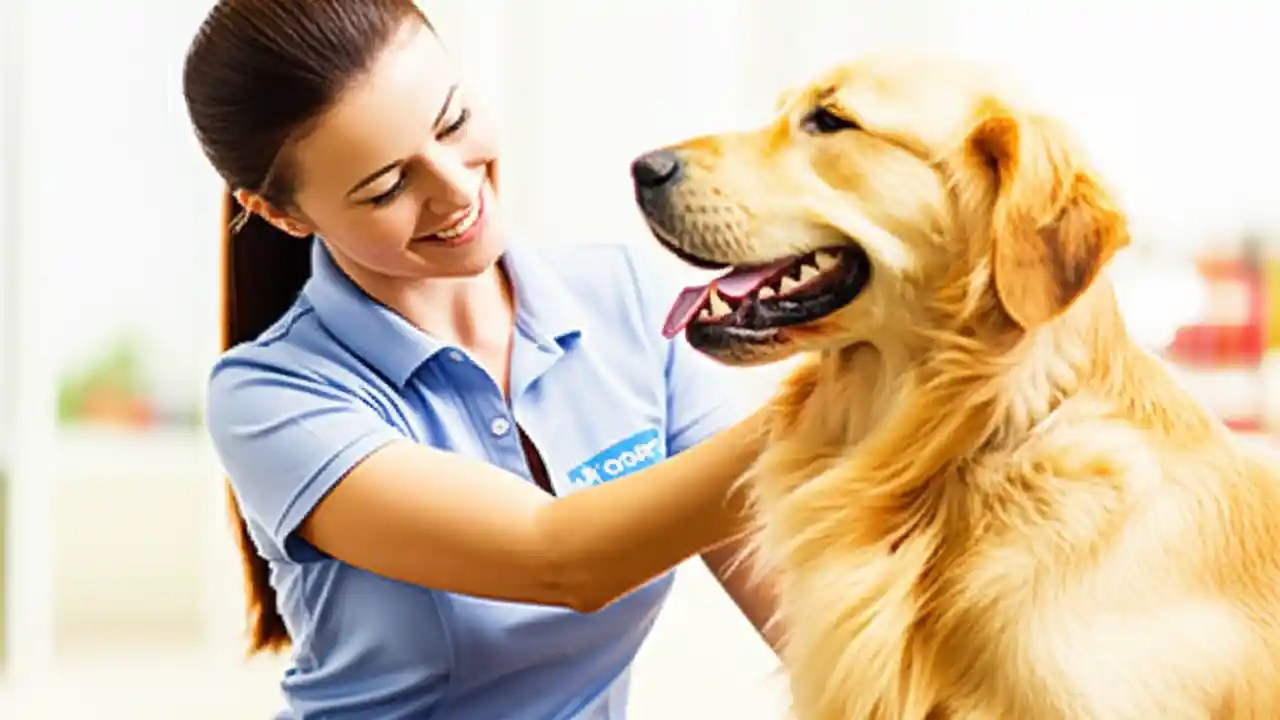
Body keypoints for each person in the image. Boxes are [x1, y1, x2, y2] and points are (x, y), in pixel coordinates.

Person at [182, 1, 779, 718]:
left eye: (454, 122)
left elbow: (806, 615)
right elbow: (563, 561)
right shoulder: (272, 396)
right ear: (284, 214)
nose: (457, 190)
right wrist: (860, 387)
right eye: (387, 187)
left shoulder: (628, 301)